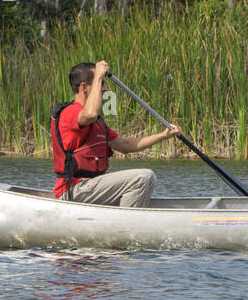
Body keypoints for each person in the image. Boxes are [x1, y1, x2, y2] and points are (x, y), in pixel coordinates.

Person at [51, 60, 182, 206]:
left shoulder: (98, 123)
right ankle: (126, 224)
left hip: (90, 189)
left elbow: (124, 145)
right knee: (143, 177)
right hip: (74, 190)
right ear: (84, 87)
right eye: (100, 83)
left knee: (145, 178)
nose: (105, 88)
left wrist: (163, 135)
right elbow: (90, 113)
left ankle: (127, 219)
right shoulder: (70, 112)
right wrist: (99, 74)